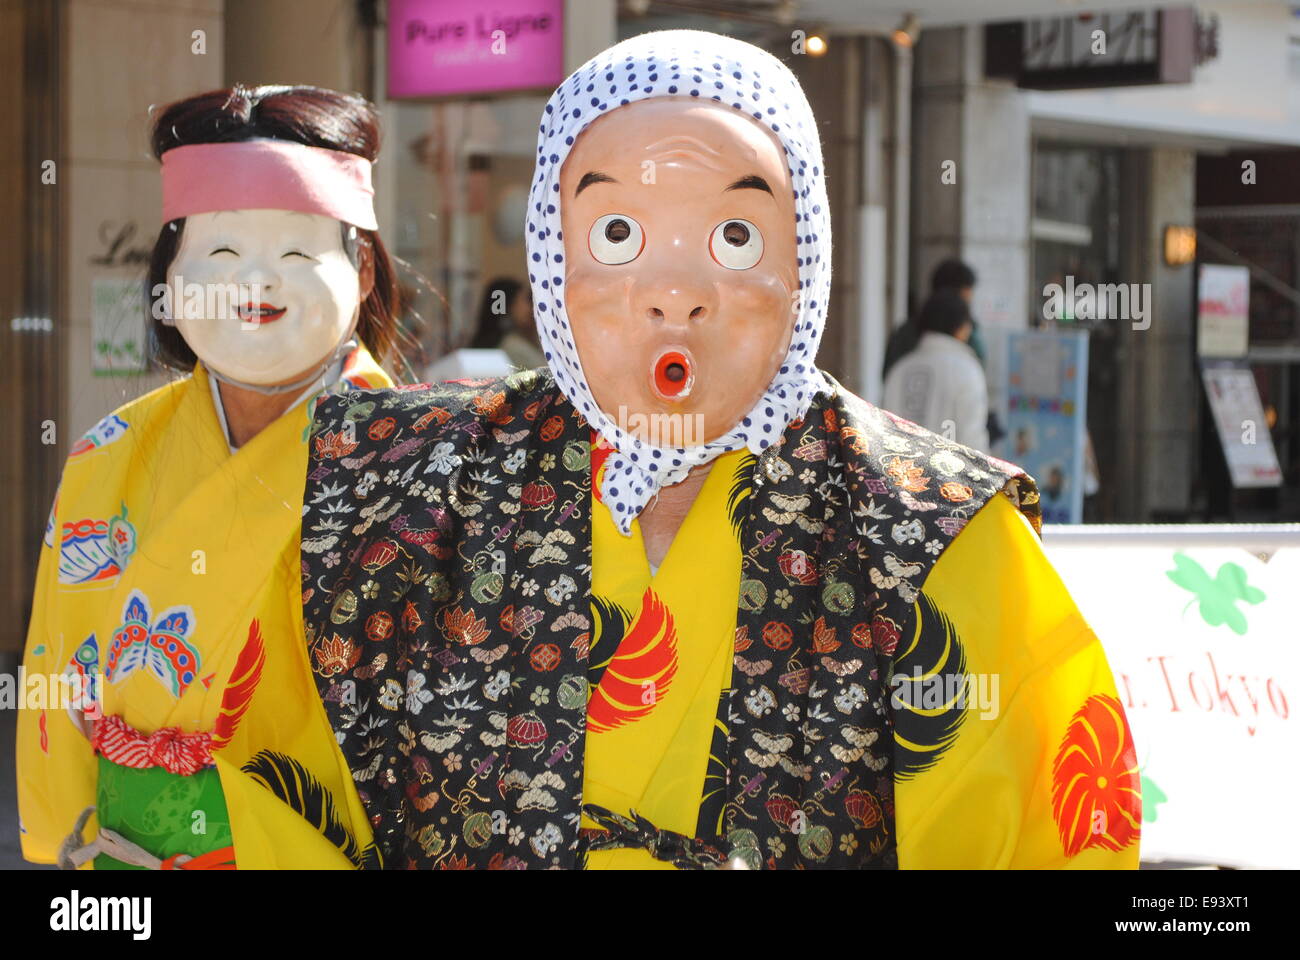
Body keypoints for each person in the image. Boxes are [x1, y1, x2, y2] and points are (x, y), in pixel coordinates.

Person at [297, 30, 1140, 869]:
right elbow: (304, 797)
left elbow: (1045, 834)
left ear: (804, 261)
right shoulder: (409, 485)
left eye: (735, 238)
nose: (675, 294)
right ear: (551, 262)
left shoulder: (932, 528)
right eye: (616, 233)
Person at [16, 84, 402, 869]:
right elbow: (57, 664)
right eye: (219, 254)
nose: (254, 283)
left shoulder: (420, 458)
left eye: (298, 253)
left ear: (361, 271)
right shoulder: (111, 450)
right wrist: (65, 840)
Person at [883, 289, 990, 450]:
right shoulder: (967, 369)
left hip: (898, 469)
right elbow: (973, 437)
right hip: (951, 471)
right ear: (961, 328)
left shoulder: (900, 369)